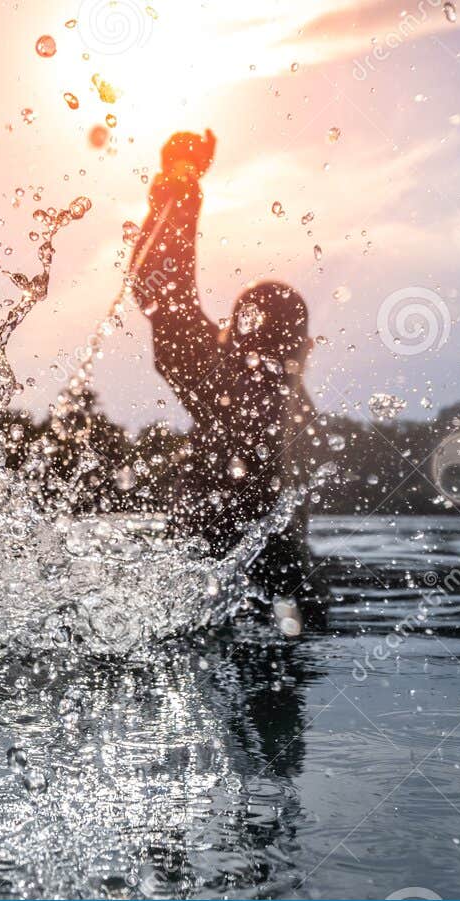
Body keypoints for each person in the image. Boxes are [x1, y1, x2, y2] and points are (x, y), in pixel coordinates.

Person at [128, 130, 327, 632]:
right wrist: (183, 192)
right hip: (280, 597)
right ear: (305, 347)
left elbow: (156, 289)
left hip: (208, 598)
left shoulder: (224, 377)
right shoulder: (280, 396)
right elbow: (158, 290)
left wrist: (181, 190)